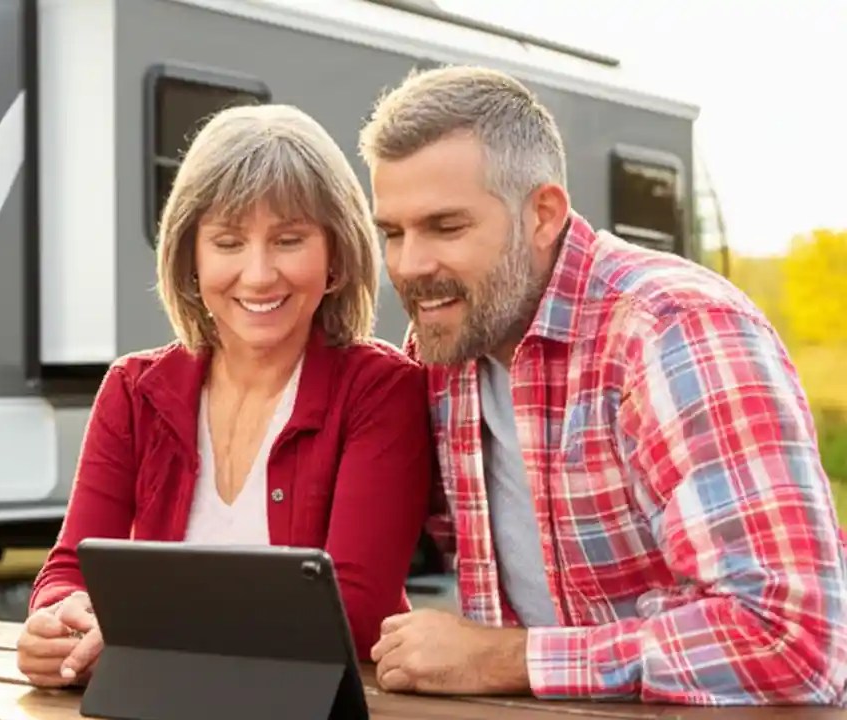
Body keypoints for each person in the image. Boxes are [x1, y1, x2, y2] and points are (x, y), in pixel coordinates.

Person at [359, 65, 847, 706]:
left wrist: (513, 658)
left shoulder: (675, 334)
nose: (411, 266)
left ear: (542, 214)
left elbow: (793, 639)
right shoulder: (446, 352)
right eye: (392, 233)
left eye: (446, 228)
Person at [15, 103, 434, 688]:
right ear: (190, 256)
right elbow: (67, 572)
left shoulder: (382, 390)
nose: (259, 274)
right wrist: (58, 624)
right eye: (228, 242)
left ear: (335, 256)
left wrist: (143, 630)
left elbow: (354, 612)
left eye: (288, 240)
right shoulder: (133, 390)